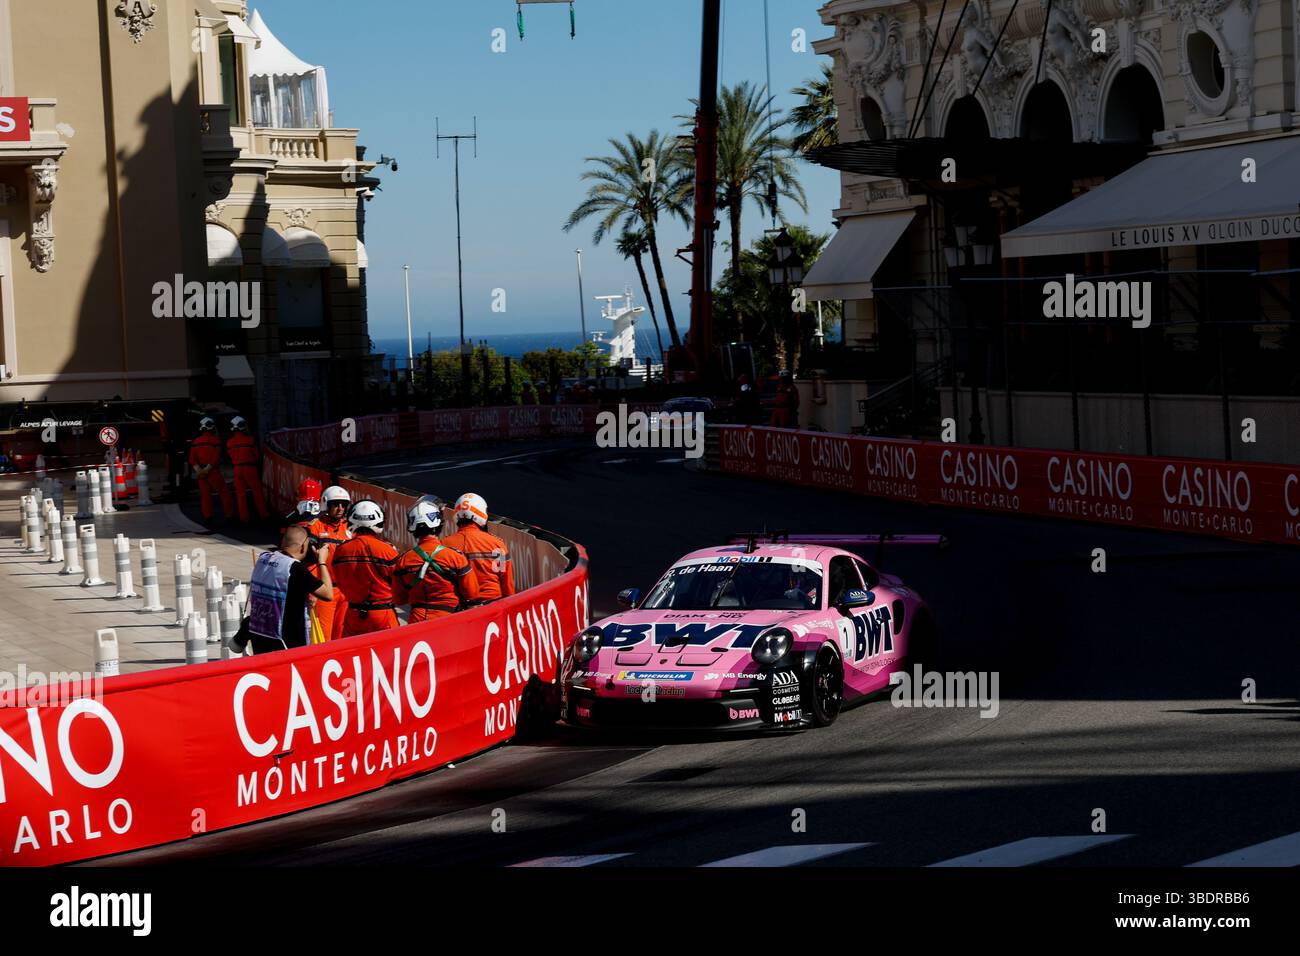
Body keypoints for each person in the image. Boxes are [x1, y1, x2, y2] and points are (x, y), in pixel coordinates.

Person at [247, 526, 333, 654]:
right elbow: (328, 594)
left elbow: (284, 587)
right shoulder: (295, 568)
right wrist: (321, 561)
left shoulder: (264, 558)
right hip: (287, 642)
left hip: (260, 636)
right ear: (303, 547)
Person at [394, 499, 479, 623]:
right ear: (438, 524)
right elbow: (472, 593)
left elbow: (399, 599)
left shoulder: (403, 560)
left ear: (413, 528)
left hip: (416, 623)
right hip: (449, 622)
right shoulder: (455, 557)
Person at [331, 499, 399, 636]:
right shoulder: (388, 550)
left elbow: (339, 580)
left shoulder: (340, 550)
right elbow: (399, 585)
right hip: (382, 614)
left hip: (352, 614)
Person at [441, 492, 515, 602]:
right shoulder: (497, 544)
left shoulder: (444, 545)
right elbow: (507, 585)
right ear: (481, 513)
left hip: (460, 610)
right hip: (493, 607)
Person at [307, 485, 353, 642]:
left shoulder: (350, 527)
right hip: (325, 590)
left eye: (343, 505)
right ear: (326, 504)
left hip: (346, 591)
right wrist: (312, 590)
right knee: (323, 637)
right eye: (336, 504)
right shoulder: (315, 526)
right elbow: (310, 562)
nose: (340, 508)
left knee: (342, 635)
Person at [188, 417, 235, 521]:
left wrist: (199, 470)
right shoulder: (215, 440)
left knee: (205, 495)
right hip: (213, 471)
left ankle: (208, 518)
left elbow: (192, 459)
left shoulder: (196, 441)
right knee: (224, 493)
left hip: (201, 472)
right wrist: (208, 469)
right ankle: (229, 516)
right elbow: (216, 457)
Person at [226, 415, 270, 522]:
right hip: (249, 468)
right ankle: (263, 515)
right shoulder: (250, 440)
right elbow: (256, 456)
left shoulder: (229, 442)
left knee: (240, 494)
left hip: (237, 469)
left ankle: (244, 517)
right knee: (257, 492)